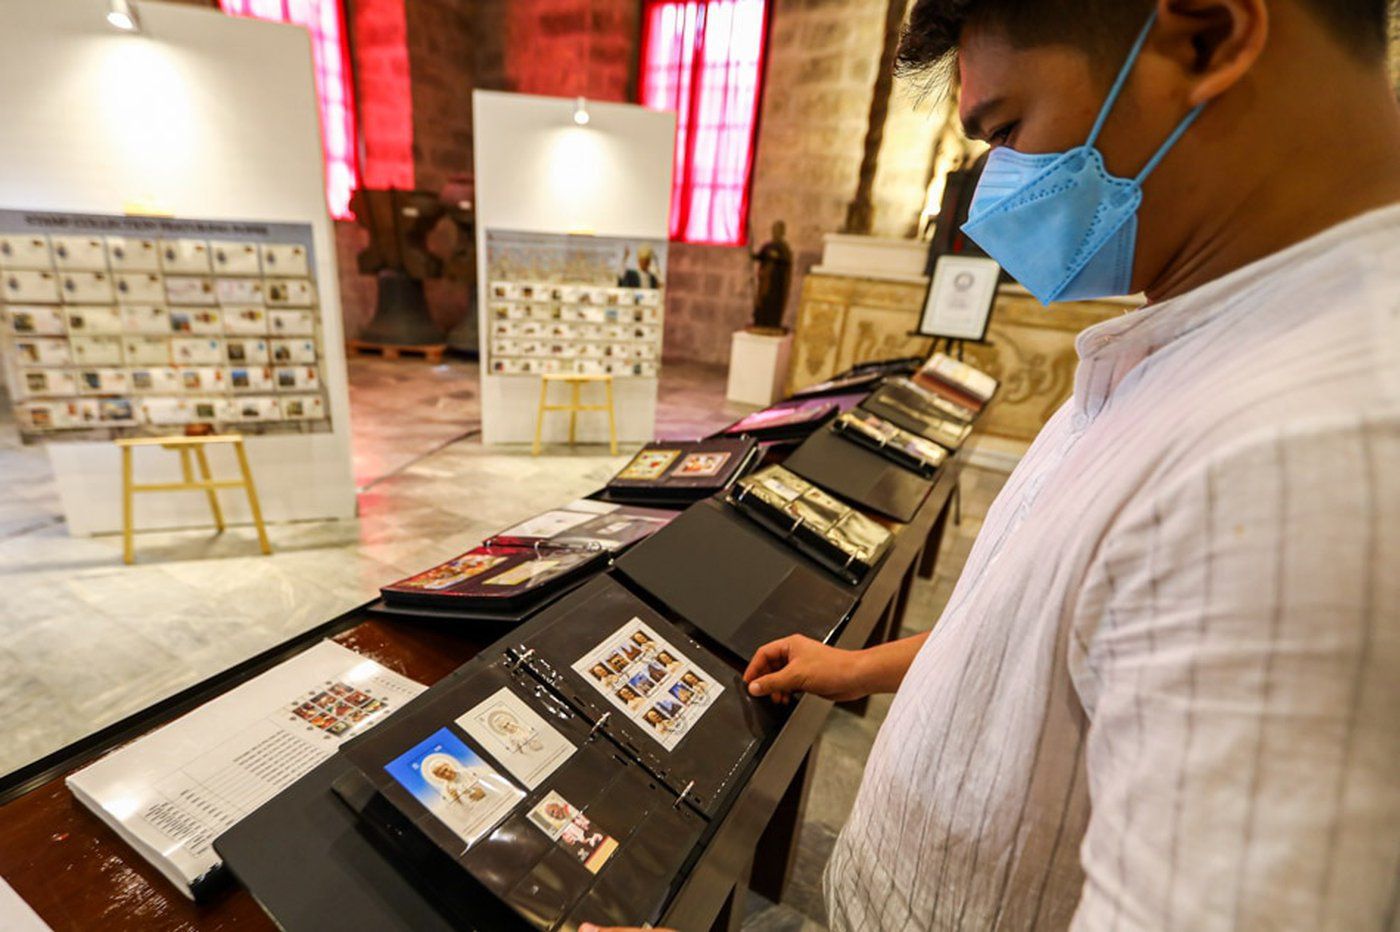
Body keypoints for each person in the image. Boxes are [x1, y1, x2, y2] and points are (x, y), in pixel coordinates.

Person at [585, 0, 1399, 929]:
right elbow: (1062, 634)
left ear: (1206, 38)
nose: (995, 191)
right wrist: (859, 668)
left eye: (1008, 127)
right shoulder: (1207, 348)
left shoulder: (1309, 454)